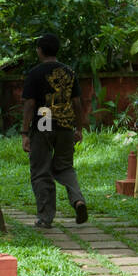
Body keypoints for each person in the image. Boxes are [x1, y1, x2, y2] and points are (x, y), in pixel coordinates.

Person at [21, 33, 88, 228]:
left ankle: (45, 217)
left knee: (41, 171)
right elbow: (77, 102)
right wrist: (79, 127)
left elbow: (30, 104)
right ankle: (78, 200)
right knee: (65, 167)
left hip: (44, 120)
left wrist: (25, 133)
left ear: (40, 50)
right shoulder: (69, 72)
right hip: (66, 124)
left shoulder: (35, 73)